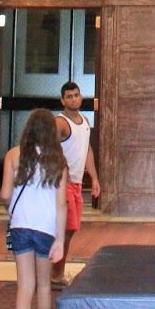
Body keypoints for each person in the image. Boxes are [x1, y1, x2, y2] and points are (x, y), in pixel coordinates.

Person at [1, 108, 66, 309]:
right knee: (43, 287)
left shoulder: (14, 155)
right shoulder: (58, 161)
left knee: (24, 287)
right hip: (46, 230)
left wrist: (12, 206)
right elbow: (62, 205)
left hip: (20, 226)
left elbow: (5, 193)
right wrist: (60, 240)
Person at [51, 81, 100, 285]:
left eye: (77, 95)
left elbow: (87, 150)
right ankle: (55, 275)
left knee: (70, 229)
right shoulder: (60, 123)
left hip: (77, 184)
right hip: (62, 184)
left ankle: (55, 272)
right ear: (63, 100)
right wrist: (59, 173)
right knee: (64, 230)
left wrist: (95, 178)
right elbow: (48, 148)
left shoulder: (84, 121)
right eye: (69, 96)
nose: (74, 99)